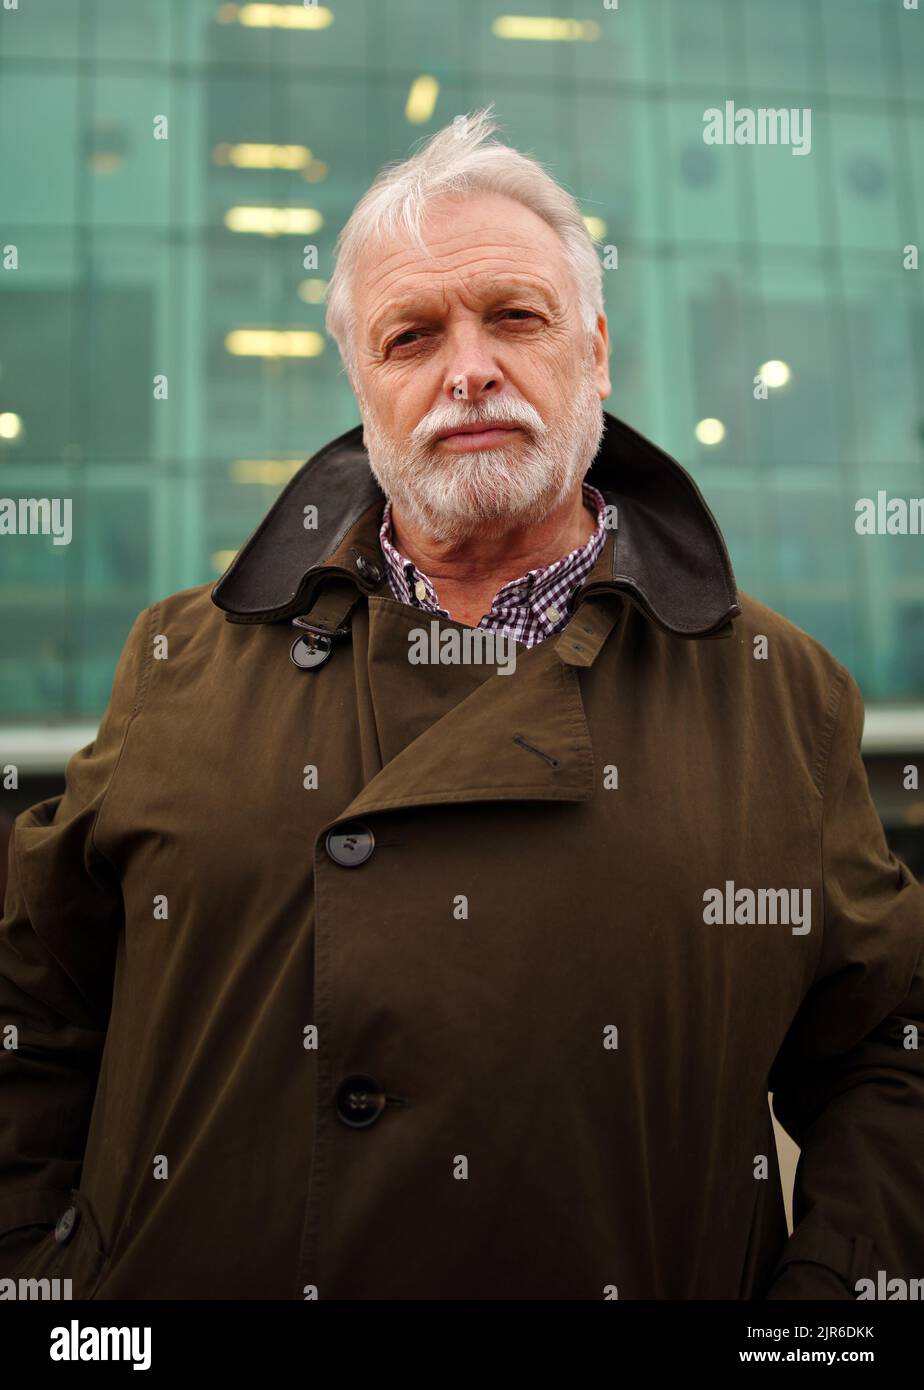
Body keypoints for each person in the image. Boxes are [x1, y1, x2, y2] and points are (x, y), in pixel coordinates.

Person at [1, 108, 922, 1301]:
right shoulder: (181, 655)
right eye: (411, 335)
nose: (468, 367)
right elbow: (35, 1001)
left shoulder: (777, 690)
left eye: (515, 318)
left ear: (598, 353)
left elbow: (888, 1048)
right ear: (361, 383)